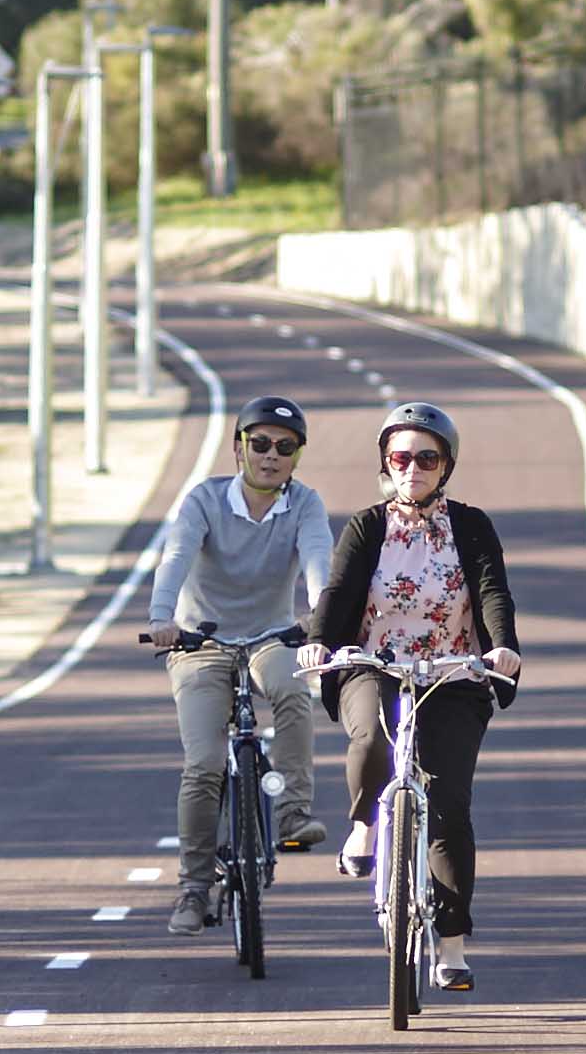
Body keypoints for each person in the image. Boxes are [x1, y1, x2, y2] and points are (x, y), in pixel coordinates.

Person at [301, 399, 523, 993]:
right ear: (386, 462)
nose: (413, 468)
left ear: (446, 465)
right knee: (370, 735)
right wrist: (321, 643)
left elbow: (491, 589)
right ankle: (364, 828)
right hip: (375, 663)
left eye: (428, 457)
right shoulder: (367, 525)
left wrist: (501, 646)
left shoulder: (472, 524)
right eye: (401, 457)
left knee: (450, 806)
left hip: (452, 672)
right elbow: (339, 590)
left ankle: (450, 946)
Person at [141, 396, 333, 935]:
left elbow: (320, 561)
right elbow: (176, 556)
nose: (271, 455)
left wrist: (322, 616)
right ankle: (194, 887)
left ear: (296, 456)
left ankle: (294, 813)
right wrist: (162, 618)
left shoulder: (305, 504)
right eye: (260, 443)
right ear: (238, 447)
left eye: (285, 447)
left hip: (272, 636)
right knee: (203, 764)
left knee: (295, 691)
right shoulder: (204, 499)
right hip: (199, 641)